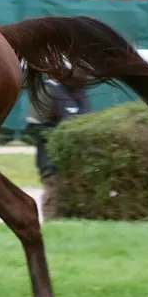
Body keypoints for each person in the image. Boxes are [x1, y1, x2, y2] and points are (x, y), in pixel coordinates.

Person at [25, 72, 92, 221]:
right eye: (84, 72)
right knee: (56, 199)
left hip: (81, 163)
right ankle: (52, 232)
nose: (88, 77)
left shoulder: (81, 92)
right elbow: (33, 128)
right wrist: (62, 138)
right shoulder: (49, 90)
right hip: (53, 161)